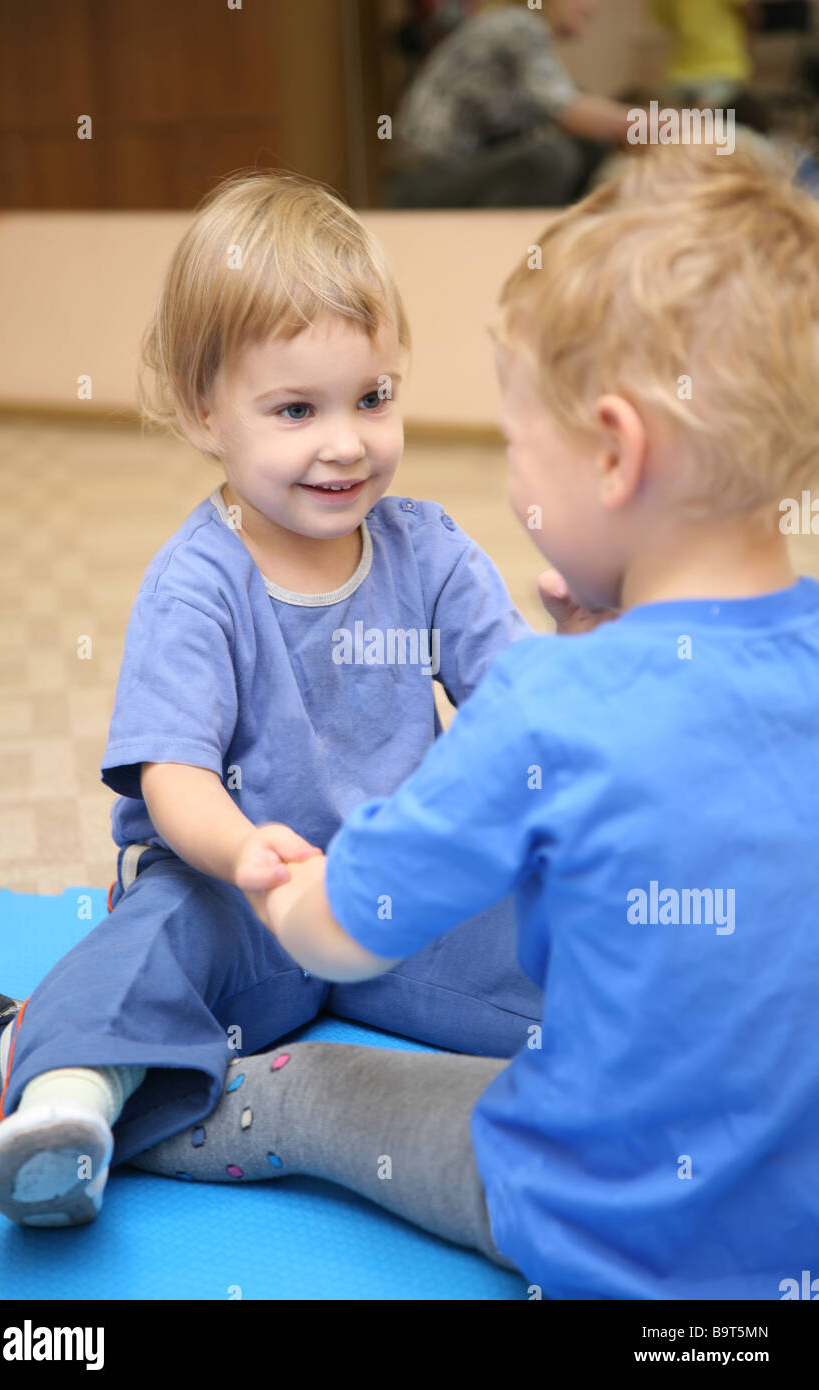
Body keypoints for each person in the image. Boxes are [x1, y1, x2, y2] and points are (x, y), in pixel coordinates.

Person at [120, 140, 819, 1297]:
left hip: (597, 1224)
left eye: (515, 444)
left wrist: (285, 888)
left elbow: (344, 931)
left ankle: (119, 1105)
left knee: (316, 1087)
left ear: (612, 451)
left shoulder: (549, 706)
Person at [0, 168, 582, 1230]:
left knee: (560, 931)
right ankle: (65, 1093)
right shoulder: (199, 579)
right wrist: (244, 852)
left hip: (392, 888)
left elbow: (516, 709)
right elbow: (173, 773)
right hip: (237, 896)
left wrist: (583, 652)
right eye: (296, 409)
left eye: (371, 398)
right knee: (148, 943)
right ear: (205, 413)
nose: (344, 441)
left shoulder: (426, 548)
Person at [386, 0, 650, 207]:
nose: (592, 7)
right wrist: (653, 124)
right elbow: (568, 110)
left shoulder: (520, 35)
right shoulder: (518, 25)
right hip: (425, 182)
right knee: (549, 159)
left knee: (585, 148)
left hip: (443, 177)